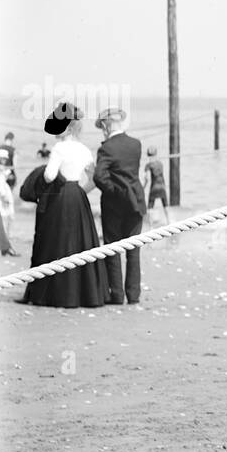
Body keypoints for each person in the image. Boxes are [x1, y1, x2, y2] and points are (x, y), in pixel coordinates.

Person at [22, 102, 109, 307]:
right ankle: (84, 294)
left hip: (59, 197)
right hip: (77, 196)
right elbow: (94, 180)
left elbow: (49, 175)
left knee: (54, 242)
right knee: (80, 244)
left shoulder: (59, 148)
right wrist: (80, 191)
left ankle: (51, 294)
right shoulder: (85, 150)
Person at [95, 108, 146, 305]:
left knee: (113, 248)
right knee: (134, 250)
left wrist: (113, 191)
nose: (103, 131)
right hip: (136, 201)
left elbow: (99, 176)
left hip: (114, 204)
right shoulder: (136, 144)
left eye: (102, 127)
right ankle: (133, 295)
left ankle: (116, 294)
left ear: (107, 125)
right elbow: (130, 173)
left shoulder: (106, 148)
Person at [0, 149, 17, 255]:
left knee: (6, 222)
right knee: (6, 222)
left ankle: (6, 247)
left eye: (5, 159)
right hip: (2, 197)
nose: (4, 161)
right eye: (2, 158)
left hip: (1, 196)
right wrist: (4, 198)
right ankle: (6, 247)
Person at [144, 146, 170, 222]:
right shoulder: (160, 164)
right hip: (162, 187)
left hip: (154, 188)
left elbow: (147, 178)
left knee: (150, 207)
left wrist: (143, 188)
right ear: (156, 154)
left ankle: (151, 226)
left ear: (148, 155)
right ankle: (168, 222)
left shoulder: (148, 165)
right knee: (165, 206)